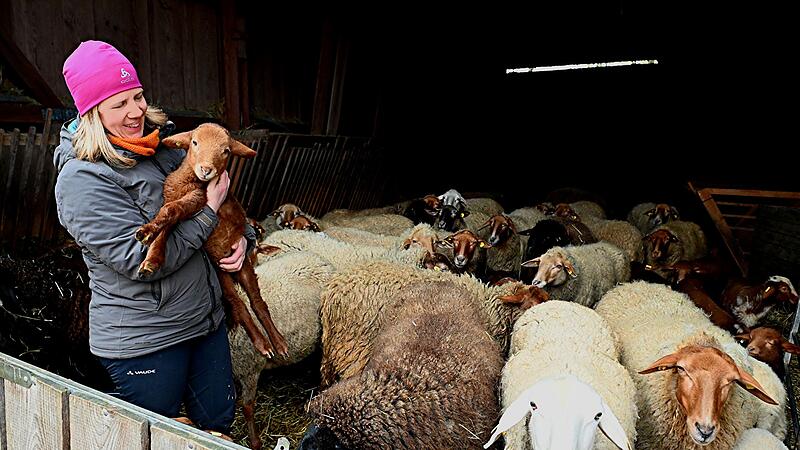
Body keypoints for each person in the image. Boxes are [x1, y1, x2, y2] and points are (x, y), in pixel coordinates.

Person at [54, 40, 253, 437]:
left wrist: (241, 237)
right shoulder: (82, 179)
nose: (136, 111)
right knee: (153, 436)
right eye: (119, 104)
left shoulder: (163, 146)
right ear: (92, 113)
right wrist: (208, 213)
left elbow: (223, 202)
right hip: (146, 338)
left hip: (203, 320)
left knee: (217, 426)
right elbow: (139, 262)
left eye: (138, 96)